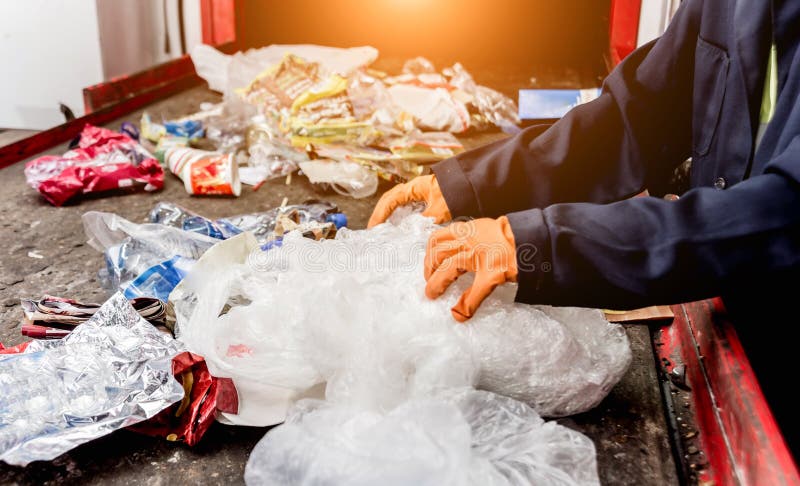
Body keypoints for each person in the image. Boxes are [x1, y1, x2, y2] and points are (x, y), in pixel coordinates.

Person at [369, 0, 800, 455]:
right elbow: (635, 117)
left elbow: (784, 212)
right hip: (722, 317)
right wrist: (474, 184)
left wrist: (546, 242)